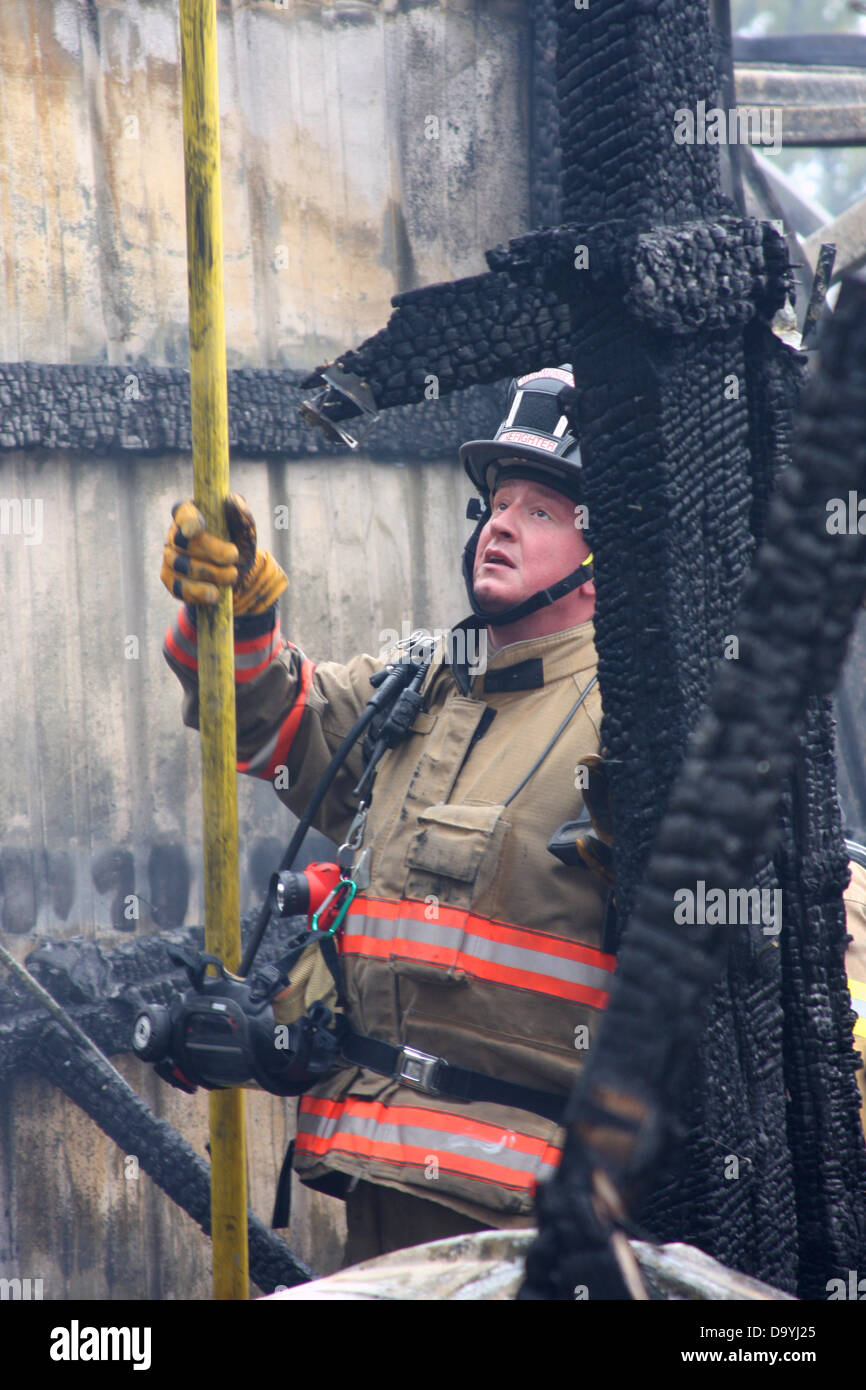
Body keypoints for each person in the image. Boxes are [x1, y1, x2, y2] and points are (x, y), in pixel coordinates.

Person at [161, 364, 616, 1263]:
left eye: (541, 512)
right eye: (497, 504)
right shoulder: (422, 687)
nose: (500, 525)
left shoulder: (634, 721)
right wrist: (241, 613)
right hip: (374, 1189)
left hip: (531, 1229)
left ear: (613, 555)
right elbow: (270, 722)